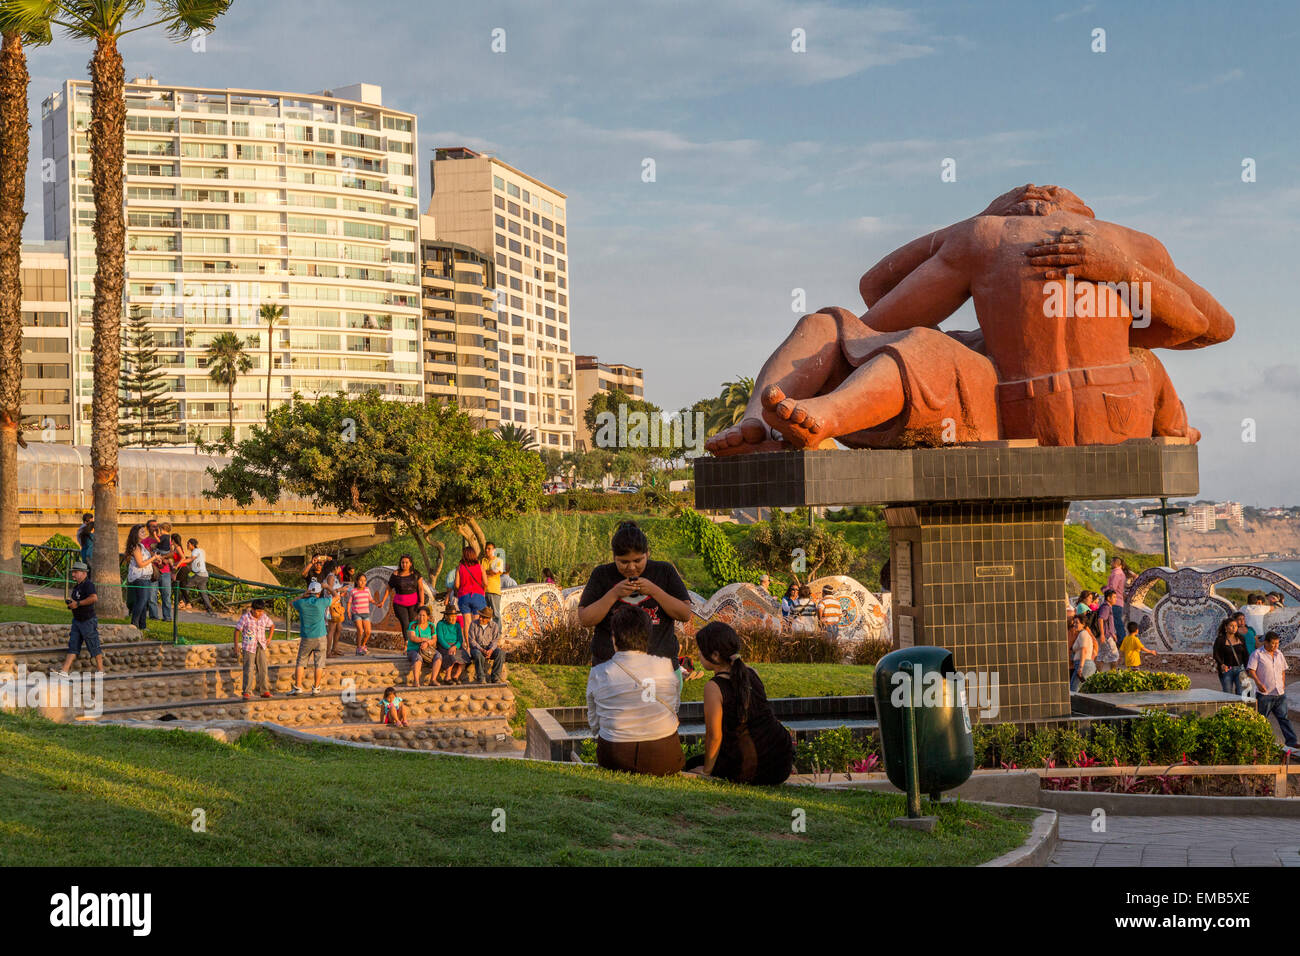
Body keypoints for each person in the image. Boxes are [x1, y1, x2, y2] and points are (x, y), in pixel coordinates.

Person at [685, 621, 794, 784]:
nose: (698, 655)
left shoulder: (714, 687)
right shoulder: (751, 672)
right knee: (698, 761)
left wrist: (707, 772)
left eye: (701, 651)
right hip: (782, 759)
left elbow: (714, 736)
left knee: (690, 765)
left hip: (753, 765)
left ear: (715, 655)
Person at [585, 605, 683, 776]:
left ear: (614, 638)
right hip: (665, 755)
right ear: (647, 636)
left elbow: (594, 723)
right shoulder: (665, 666)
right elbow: (674, 707)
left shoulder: (599, 673)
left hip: (615, 756)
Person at [578, 520, 692, 666]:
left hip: (660, 667)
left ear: (647, 553)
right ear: (614, 557)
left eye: (638, 560)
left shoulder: (664, 571)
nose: (631, 567)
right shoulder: (602, 574)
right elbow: (585, 619)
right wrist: (614, 593)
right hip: (611, 668)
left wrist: (654, 590)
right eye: (624, 562)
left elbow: (685, 614)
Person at [1246, 631, 1298, 749]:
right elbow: (1251, 671)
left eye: (1277, 643)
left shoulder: (1279, 654)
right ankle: (1256, 743)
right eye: (1273, 643)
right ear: (1266, 642)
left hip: (1279, 693)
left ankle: (1291, 741)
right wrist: (1258, 683)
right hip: (1265, 694)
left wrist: (1283, 683)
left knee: (1284, 718)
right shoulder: (1257, 654)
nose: (1275, 646)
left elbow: (1283, 670)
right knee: (1261, 719)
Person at [54, 561, 102, 678]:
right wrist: (72, 603)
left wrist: (78, 603)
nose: (73, 574)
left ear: (84, 573)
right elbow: (77, 602)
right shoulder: (77, 586)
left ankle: (100, 670)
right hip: (77, 621)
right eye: (73, 572)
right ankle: (64, 671)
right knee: (73, 644)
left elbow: (94, 598)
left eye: (75, 572)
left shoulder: (88, 585)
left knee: (93, 644)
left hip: (87, 620)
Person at [291, 580, 331, 695]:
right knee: (319, 663)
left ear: (309, 591)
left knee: (301, 662)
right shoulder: (322, 602)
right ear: (319, 592)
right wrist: (328, 587)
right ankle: (316, 687)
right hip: (321, 636)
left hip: (306, 637)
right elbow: (336, 597)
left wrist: (302, 595)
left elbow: (291, 603)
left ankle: (298, 686)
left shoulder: (301, 603)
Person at [382, 555, 430, 644]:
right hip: (399, 604)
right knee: (405, 623)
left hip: (414, 604)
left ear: (410, 563)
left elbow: (420, 588)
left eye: (406, 562)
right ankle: (407, 643)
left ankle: (414, 643)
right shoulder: (396, 574)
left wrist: (422, 602)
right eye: (402, 562)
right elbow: (389, 588)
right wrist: (383, 601)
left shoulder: (416, 574)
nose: (404, 564)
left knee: (412, 623)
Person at [234, 599, 275, 699]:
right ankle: (246, 691)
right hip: (249, 647)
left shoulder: (264, 617)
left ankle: (264, 690)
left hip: (261, 646)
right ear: (252, 609)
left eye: (261, 611)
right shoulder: (245, 618)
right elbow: (237, 630)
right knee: (248, 669)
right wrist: (236, 645)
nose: (260, 613)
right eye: (258, 611)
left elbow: (272, 625)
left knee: (263, 668)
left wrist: (269, 638)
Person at [124, 524, 155, 630]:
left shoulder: (141, 546)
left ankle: (142, 625)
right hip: (140, 578)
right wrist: (153, 558)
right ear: (135, 534)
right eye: (141, 532)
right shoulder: (136, 547)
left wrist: (155, 558)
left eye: (144, 531)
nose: (144, 533)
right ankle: (134, 624)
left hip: (146, 577)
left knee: (144, 601)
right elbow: (140, 564)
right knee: (141, 601)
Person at [455, 545, 488, 643]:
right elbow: (486, 583)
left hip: (464, 596)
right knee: (477, 623)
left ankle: (468, 647)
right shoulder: (480, 567)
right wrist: (483, 591)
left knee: (467, 623)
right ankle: (477, 646)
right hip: (478, 596)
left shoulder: (459, 567)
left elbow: (457, 585)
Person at [1212, 617, 1250, 696]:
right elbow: (1216, 654)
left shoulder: (1241, 638)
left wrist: (1248, 669)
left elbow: (1246, 654)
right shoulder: (1220, 639)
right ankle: (1228, 708)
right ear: (1226, 627)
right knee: (1228, 694)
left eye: (1235, 626)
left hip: (1240, 670)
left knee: (1241, 693)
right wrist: (1221, 664)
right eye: (1231, 626)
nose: (1234, 628)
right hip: (1227, 670)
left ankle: (1240, 708)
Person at [469, 604, 506, 684]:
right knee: (478, 654)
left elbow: (495, 640)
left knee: (501, 653)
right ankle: (481, 677)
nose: (480, 618)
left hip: (489, 648)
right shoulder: (473, 624)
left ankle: (495, 677)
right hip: (477, 648)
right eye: (480, 616)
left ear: (489, 619)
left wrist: (491, 650)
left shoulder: (494, 626)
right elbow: (472, 641)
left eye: (483, 617)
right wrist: (481, 649)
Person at [435, 603, 469, 684]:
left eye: (455, 616)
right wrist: (448, 647)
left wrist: (455, 646)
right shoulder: (440, 624)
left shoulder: (457, 625)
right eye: (451, 616)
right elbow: (440, 638)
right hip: (444, 646)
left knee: (465, 657)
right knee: (451, 656)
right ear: (446, 616)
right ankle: (447, 677)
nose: (454, 618)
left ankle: (456, 676)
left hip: (456, 646)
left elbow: (460, 639)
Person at [405, 606, 438, 686]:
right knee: (418, 657)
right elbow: (412, 637)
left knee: (438, 656)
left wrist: (427, 643)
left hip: (427, 650)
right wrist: (424, 640)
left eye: (424, 615)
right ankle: (416, 681)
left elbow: (434, 639)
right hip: (413, 650)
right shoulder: (413, 625)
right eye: (420, 615)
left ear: (428, 617)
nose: (421, 617)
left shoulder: (431, 626)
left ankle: (433, 680)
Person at [324, 562, 352, 658]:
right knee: (331, 629)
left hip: (337, 606)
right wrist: (341, 589)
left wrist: (341, 591)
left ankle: (334, 648)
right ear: (335, 568)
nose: (340, 569)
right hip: (332, 605)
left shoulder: (334, 577)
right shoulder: (331, 577)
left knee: (339, 628)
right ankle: (328, 652)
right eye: (339, 567)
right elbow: (329, 591)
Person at [140, 519, 164, 620]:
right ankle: (154, 616)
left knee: (166, 596)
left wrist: (164, 559)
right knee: (152, 596)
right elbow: (144, 556)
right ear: (148, 528)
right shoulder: (144, 541)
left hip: (165, 570)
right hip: (153, 570)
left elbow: (171, 551)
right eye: (153, 526)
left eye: (156, 526)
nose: (156, 528)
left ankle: (168, 617)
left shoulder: (163, 539)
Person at [185, 537, 215, 614]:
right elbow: (193, 566)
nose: (187, 545)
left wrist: (180, 563)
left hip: (200, 575)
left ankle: (186, 603)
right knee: (203, 593)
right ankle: (210, 610)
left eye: (188, 544)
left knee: (186, 586)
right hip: (204, 575)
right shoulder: (200, 551)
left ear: (192, 544)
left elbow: (192, 559)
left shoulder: (195, 551)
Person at [1069, 615, 1097, 692]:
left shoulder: (1083, 634)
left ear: (1083, 624)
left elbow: (1083, 650)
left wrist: (1080, 667)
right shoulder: (1081, 634)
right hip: (1084, 664)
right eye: (1074, 623)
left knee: (1073, 690)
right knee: (1080, 690)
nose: (1074, 624)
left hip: (1083, 665)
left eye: (1077, 623)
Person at [350, 572, 374, 656]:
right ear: (356, 581)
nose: (362, 582)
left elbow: (370, 599)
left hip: (366, 613)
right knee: (360, 630)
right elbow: (349, 603)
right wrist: (348, 611)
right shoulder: (353, 591)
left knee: (368, 632)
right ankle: (358, 648)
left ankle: (363, 645)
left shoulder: (367, 589)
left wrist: (377, 603)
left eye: (364, 580)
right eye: (360, 580)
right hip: (356, 613)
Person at [1095, 593, 1120, 673]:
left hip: (1107, 635)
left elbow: (1108, 623)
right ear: (1108, 598)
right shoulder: (1106, 607)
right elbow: (1101, 619)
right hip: (1106, 636)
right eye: (1114, 597)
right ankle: (1113, 675)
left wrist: (1113, 634)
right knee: (1115, 655)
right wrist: (1102, 634)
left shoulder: (1106, 607)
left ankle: (1097, 675)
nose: (1116, 599)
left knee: (1101, 656)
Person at [482, 542, 506, 619]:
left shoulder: (499, 560)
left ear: (494, 550)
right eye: (486, 548)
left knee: (496, 615)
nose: (486, 550)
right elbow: (480, 573)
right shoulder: (482, 560)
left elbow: (495, 572)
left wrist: (484, 572)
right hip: (484, 591)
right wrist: (488, 572)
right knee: (484, 614)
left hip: (494, 591)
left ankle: (497, 631)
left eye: (489, 548)